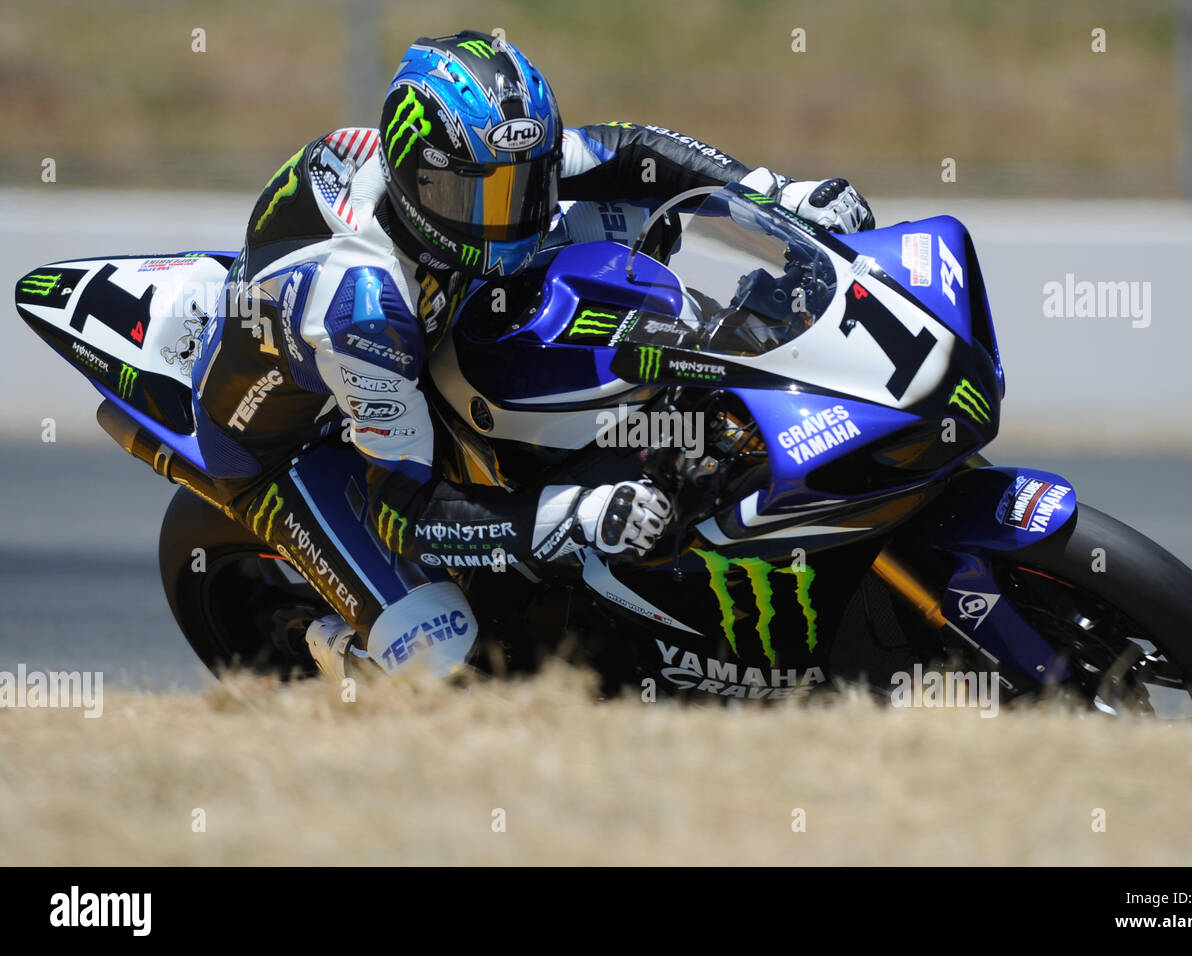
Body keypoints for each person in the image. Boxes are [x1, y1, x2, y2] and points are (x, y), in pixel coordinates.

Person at [188, 29, 874, 683]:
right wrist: (576, 514)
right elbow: (407, 510)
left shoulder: (487, 155)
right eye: (480, 197)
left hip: (422, 330)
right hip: (294, 445)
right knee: (443, 654)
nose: (511, 217)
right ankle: (348, 666)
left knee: (623, 221)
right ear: (418, 182)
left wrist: (774, 192)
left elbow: (630, 152)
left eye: (527, 186)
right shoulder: (365, 307)